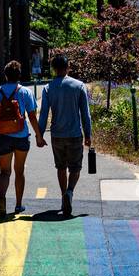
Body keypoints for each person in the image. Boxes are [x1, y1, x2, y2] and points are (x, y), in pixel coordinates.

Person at [37, 53, 92, 217]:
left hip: (57, 135)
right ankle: (69, 192)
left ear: (53, 69)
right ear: (68, 67)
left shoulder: (48, 88)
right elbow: (85, 114)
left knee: (61, 167)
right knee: (75, 168)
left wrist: (40, 135)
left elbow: (44, 114)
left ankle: (63, 197)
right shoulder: (79, 86)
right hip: (75, 134)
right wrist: (88, 134)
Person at [0, 59, 43, 217]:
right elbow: (31, 116)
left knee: (4, 172)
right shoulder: (25, 92)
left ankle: (2, 199)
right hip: (21, 136)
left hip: (3, 136)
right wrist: (39, 135)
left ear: (5, 75)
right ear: (19, 75)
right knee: (19, 171)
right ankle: (18, 205)